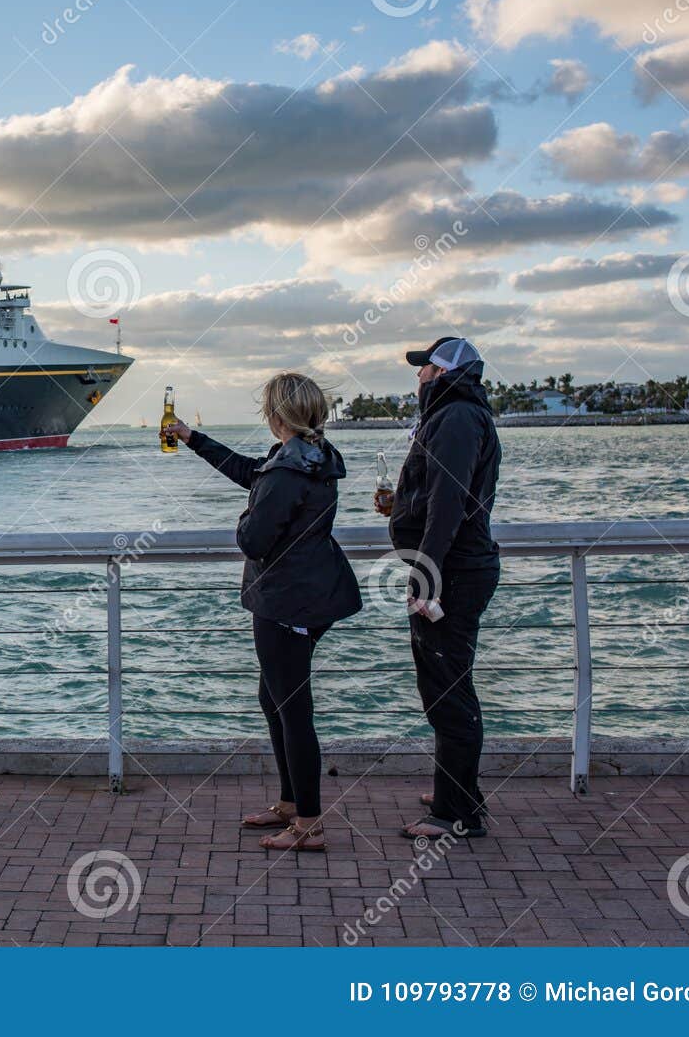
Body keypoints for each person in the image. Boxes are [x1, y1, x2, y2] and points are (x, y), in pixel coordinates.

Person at [164, 372, 362, 851]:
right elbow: (251, 472)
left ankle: (309, 824)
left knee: (292, 710)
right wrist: (192, 439)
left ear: (278, 415)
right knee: (274, 700)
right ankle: (292, 803)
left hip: (287, 600)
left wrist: (245, 516)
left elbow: (253, 538)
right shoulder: (312, 458)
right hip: (313, 591)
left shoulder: (289, 469)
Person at [381, 337, 502, 841]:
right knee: (448, 686)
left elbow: (449, 503)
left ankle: (457, 814)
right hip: (455, 568)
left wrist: (426, 575)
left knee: (447, 691)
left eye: (425, 368)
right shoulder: (458, 415)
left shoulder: (453, 419)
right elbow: (438, 496)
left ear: (446, 372)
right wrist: (402, 507)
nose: (419, 377)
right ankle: (459, 790)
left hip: (450, 573)